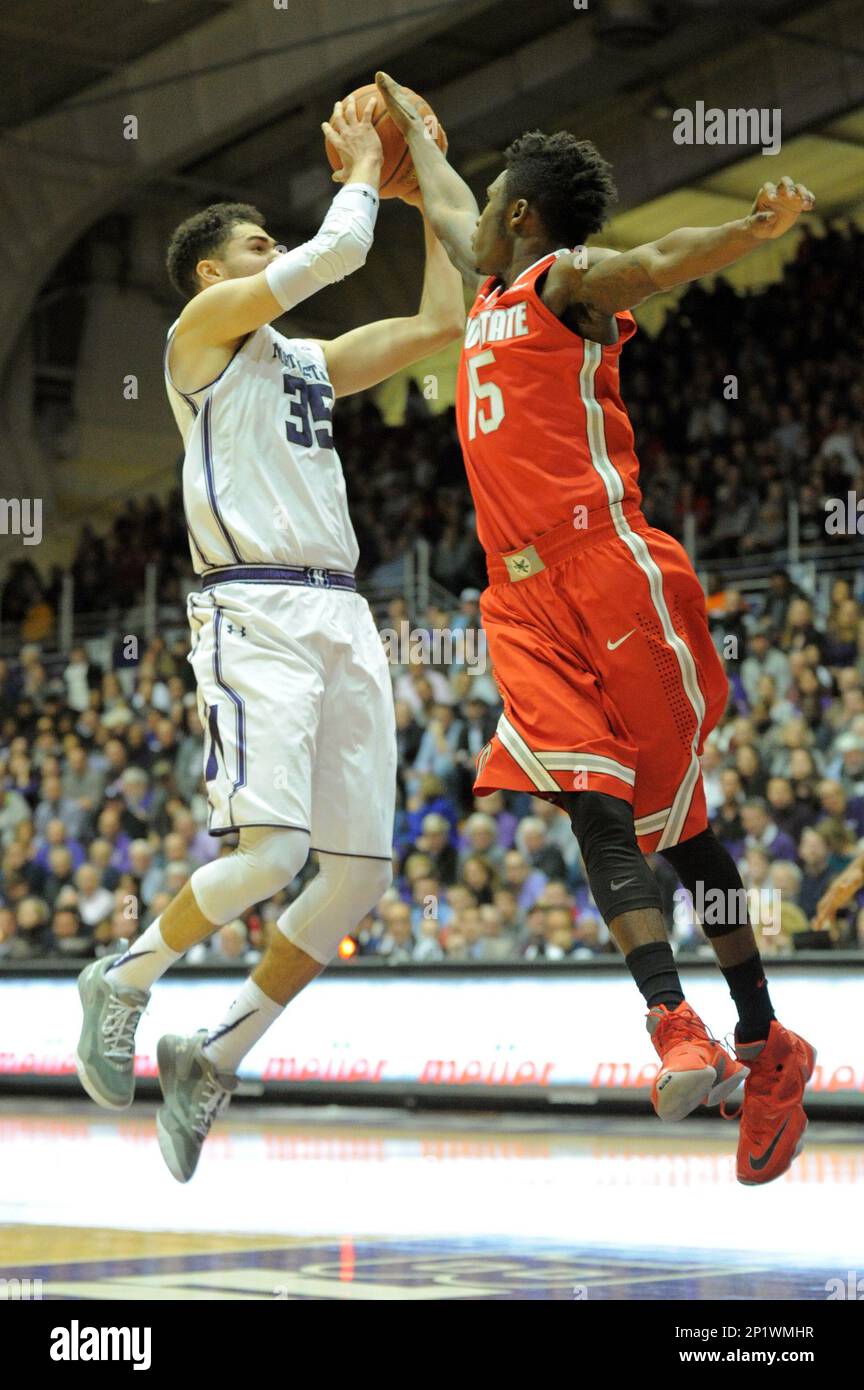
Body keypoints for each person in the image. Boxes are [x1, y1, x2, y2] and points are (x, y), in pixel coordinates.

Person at [376, 69, 816, 1187]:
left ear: (521, 214)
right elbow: (437, 189)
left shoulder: (559, 281)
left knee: (676, 829)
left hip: (608, 568)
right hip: (517, 598)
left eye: (490, 201)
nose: (470, 213)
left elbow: (655, 265)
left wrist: (749, 229)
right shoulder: (487, 288)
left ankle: (767, 1041)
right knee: (591, 798)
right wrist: (409, 121)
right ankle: (679, 1027)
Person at [74, 93, 465, 1183]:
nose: (276, 252)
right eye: (258, 246)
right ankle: (127, 973)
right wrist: (364, 163)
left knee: (356, 879)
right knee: (276, 853)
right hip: (251, 607)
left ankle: (213, 1054)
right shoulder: (194, 339)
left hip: (340, 610)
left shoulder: (302, 363)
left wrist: (428, 186)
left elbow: (442, 321)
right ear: (216, 274)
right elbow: (338, 248)